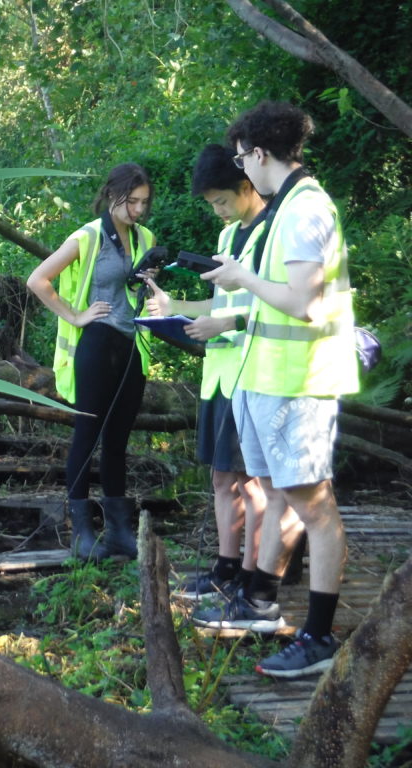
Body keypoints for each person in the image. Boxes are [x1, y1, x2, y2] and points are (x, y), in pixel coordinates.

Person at [193, 101, 360, 678]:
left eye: (242, 157)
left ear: (259, 154)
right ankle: (261, 599)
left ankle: (318, 636)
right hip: (266, 378)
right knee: (284, 496)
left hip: (300, 381)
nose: (242, 168)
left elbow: (304, 303)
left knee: (316, 508)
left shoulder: (307, 209)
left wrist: (241, 278)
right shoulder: (287, 207)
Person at [144, 145, 304, 605]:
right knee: (221, 479)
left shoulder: (273, 232)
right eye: (211, 204)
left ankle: (252, 574)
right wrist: (175, 309)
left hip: (251, 372)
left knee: (254, 483)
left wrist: (225, 324)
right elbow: (221, 306)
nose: (217, 211)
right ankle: (226, 565)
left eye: (221, 201)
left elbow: (276, 302)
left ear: (247, 185)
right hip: (219, 373)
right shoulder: (230, 237)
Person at [27, 163, 156, 561]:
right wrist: (76, 316)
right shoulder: (89, 235)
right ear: (112, 195)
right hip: (97, 342)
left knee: (118, 440)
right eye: (131, 201)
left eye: (144, 203)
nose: (137, 210)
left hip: (132, 343)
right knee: (87, 434)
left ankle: (119, 530)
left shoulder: (144, 236)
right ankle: (82, 531)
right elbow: (38, 280)